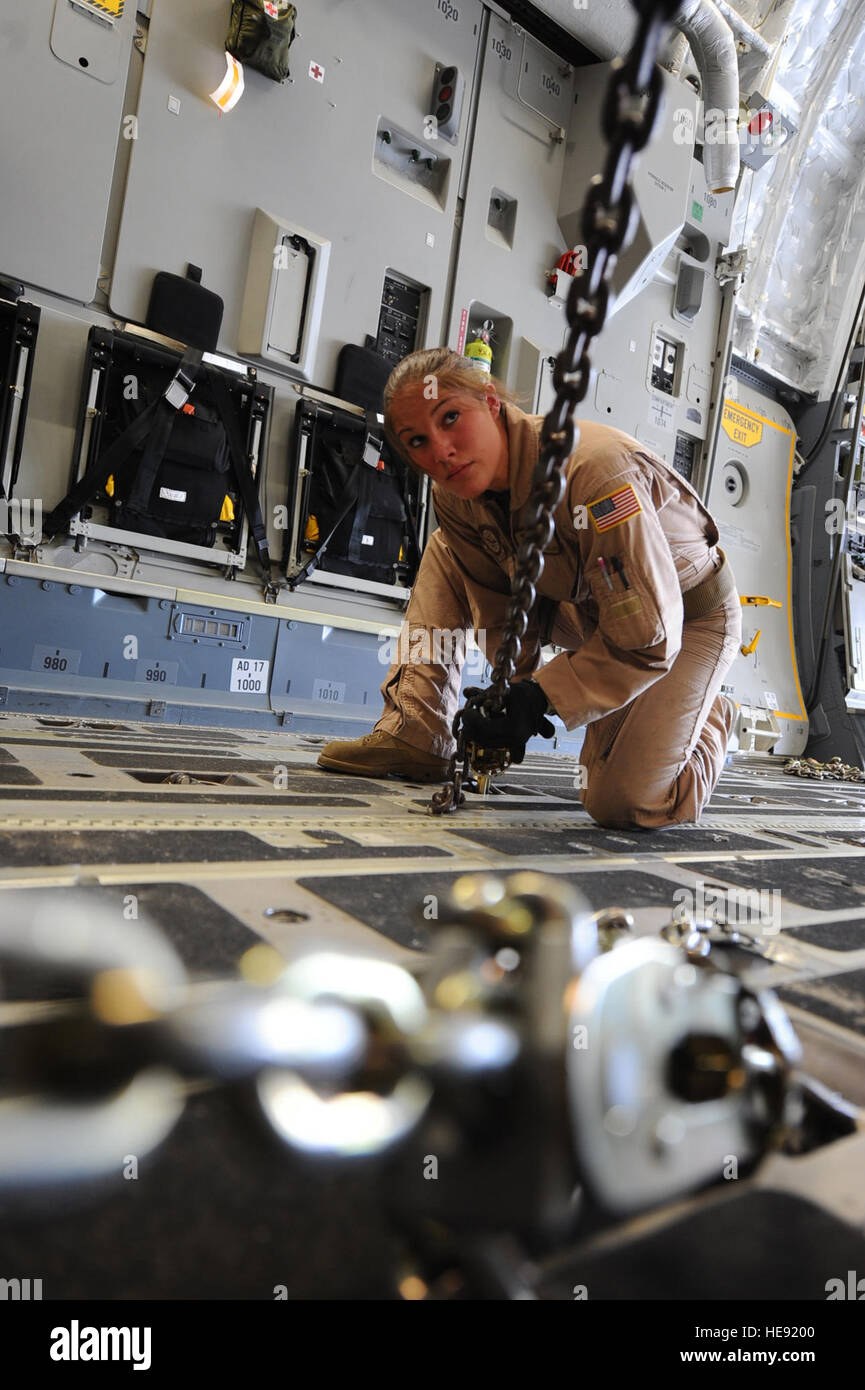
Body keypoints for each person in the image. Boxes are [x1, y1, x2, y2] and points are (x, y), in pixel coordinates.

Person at [317, 347, 742, 829]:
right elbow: (499, 601)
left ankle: (707, 718)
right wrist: (509, 693)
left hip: (681, 622)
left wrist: (540, 697)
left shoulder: (595, 474)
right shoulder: (455, 496)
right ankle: (417, 728)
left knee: (622, 803)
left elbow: (646, 632)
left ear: (492, 402)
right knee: (446, 549)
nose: (440, 450)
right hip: (588, 612)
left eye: (451, 417)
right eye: (417, 441)